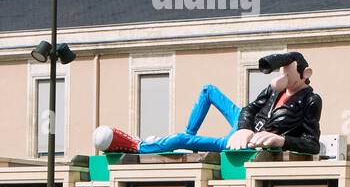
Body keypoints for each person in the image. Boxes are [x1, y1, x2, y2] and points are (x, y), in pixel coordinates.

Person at [93, 52, 323, 155]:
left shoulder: (311, 100)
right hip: (243, 129)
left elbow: (312, 144)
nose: (283, 76)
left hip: (243, 144)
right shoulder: (277, 89)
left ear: (306, 73)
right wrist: (244, 126)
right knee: (208, 90)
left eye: (288, 72)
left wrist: (281, 140)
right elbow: (250, 109)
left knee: (178, 140)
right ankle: (190, 135)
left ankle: (138, 146)